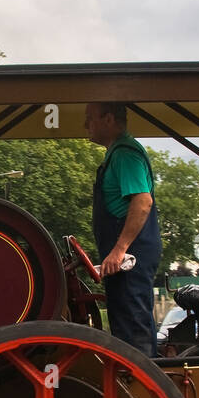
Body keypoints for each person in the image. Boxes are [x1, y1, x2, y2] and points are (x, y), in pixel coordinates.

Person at [85, 101, 162, 355]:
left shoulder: (125, 154)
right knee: (125, 318)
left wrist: (119, 250)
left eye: (91, 117)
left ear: (108, 119)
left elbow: (142, 201)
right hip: (128, 254)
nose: (86, 125)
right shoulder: (116, 154)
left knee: (133, 322)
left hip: (131, 255)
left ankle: (141, 384)